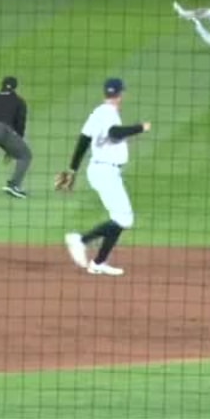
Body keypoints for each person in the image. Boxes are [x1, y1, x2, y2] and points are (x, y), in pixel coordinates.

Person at [55, 78, 152, 276]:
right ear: (121, 94)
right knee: (124, 219)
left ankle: (99, 262)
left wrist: (73, 170)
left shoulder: (98, 112)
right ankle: (81, 240)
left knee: (121, 218)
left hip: (99, 170)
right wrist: (140, 128)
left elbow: (83, 140)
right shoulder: (109, 114)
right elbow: (114, 133)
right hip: (105, 172)